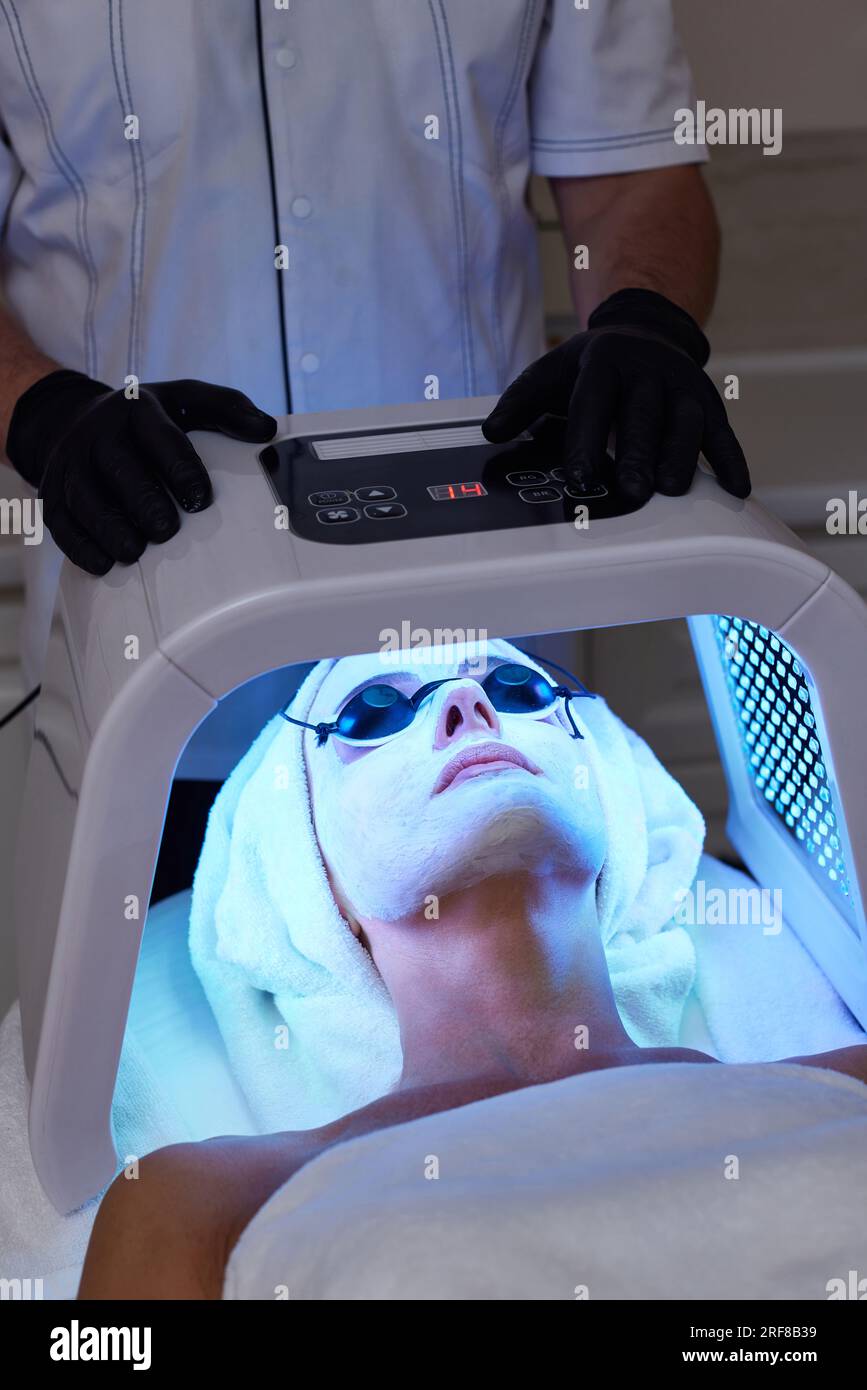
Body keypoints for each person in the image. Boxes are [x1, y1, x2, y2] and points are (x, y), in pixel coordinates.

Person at [0, 0, 747, 698]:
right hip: (137, 618)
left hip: (492, 645)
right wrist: (39, 408)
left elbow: (628, 171)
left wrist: (644, 317)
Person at [78, 647, 867, 1300]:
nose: (467, 703)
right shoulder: (194, 1199)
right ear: (316, 878)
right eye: (373, 714)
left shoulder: (846, 1087)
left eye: (517, 687)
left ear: (614, 815)